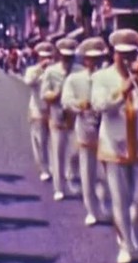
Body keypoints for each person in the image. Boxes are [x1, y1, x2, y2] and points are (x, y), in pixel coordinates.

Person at [91, 29, 138, 263]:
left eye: (131, 54)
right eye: (122, 54)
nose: (126, 59)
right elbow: (99, 105)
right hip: (115, 145)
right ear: (114, 54)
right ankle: (125, 246)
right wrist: (122, 91)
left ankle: (132, 226)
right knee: (120, 199)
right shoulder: (102, 77)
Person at [63, 36, 110, 226]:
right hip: (85, 127)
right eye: (91, 58)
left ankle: (106, 201)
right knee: (87, 171)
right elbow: (66, 100)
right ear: (84, 60)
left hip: (106, 128)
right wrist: (78, 105)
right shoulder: (75, 79)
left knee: (108, 172)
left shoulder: (108, 78)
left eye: (98, 58)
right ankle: (91, 210)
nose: (95, 62)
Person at [42, 38, 81, 201]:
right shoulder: (51, 71)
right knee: (58, 152)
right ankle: (59, 187)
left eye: (70, 56)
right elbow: (44, 93)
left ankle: (72, 175)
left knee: (76, 152)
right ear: (59, 55)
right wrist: (55, 94)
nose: (67, 59)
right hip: (57, 115)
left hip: (75, 116)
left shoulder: (80, 71)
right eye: (65, 56)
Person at [23, 42, 56, 182]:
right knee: (40, 141)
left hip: (54, 110)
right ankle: (44, 168)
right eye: (44, 58)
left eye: (49, 57)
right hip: (38, 109)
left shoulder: (55, 70)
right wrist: (40, 69)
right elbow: (28, 81)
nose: (47, 60)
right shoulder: (32, 70)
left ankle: (55, 166)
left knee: (56, 140)